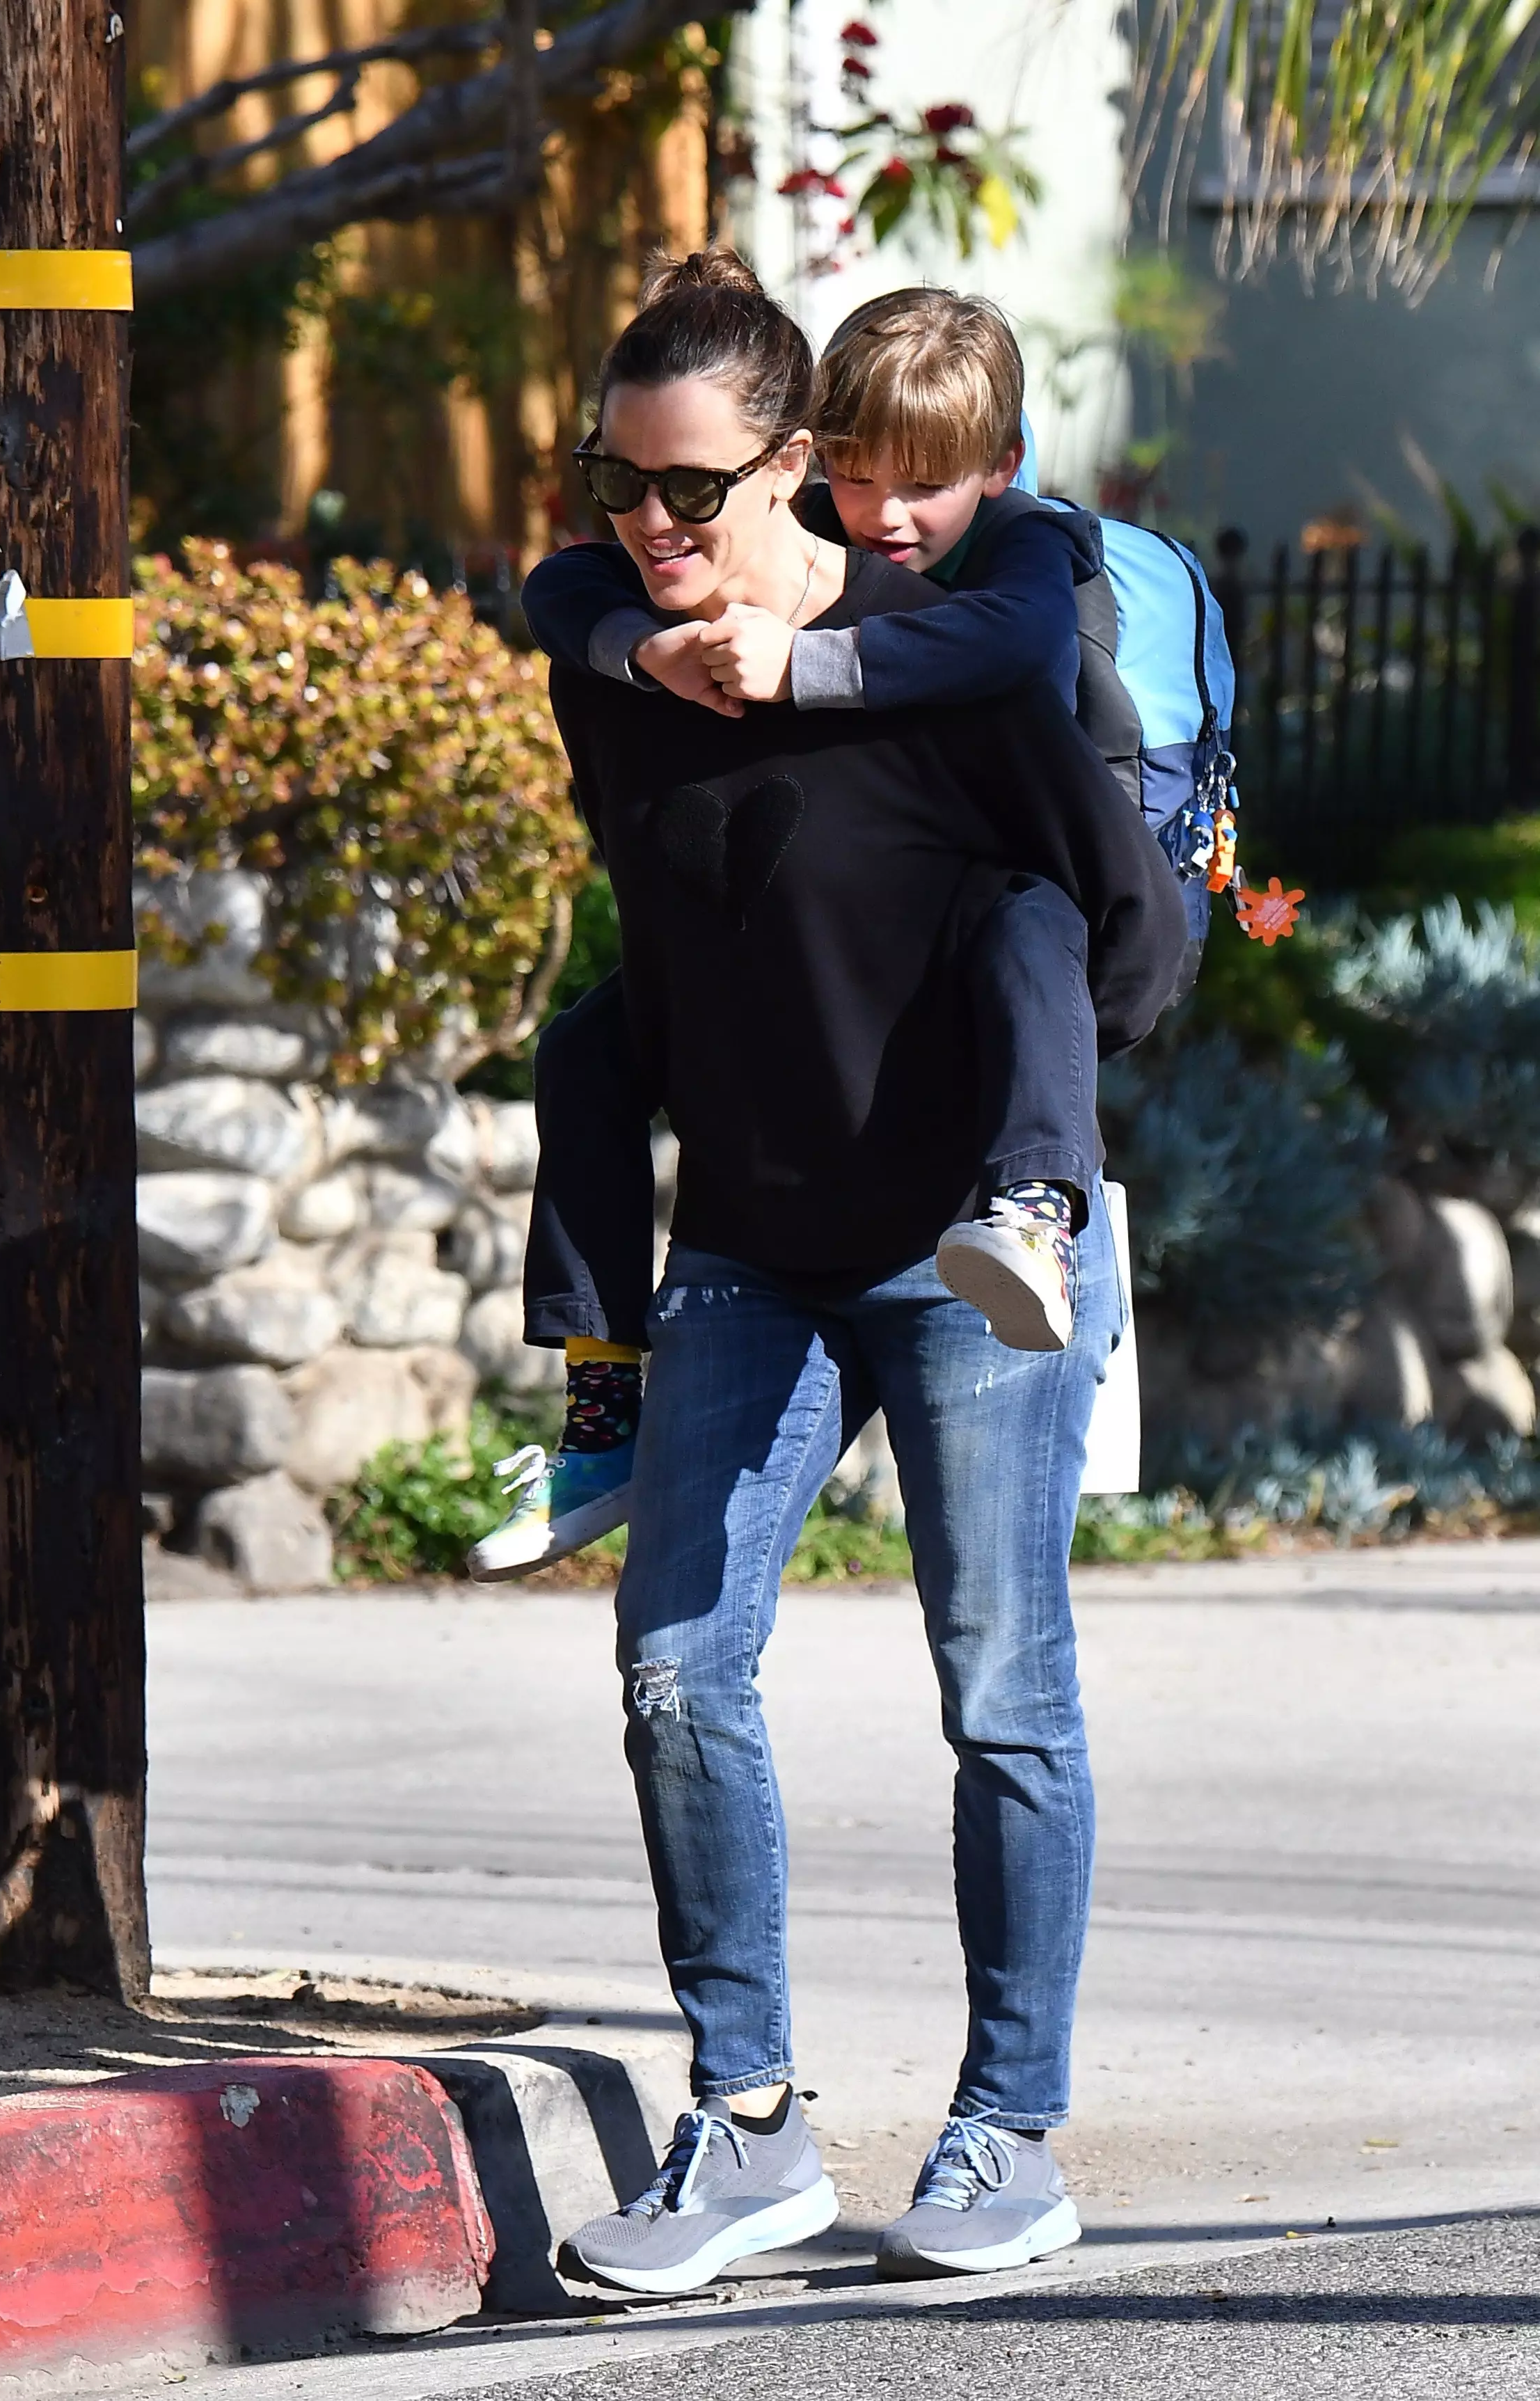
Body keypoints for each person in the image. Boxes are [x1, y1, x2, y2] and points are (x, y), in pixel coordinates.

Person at [518, 248, 1186, 2293]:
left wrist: (1042, 1134)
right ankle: (746, 2132)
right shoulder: (605, 639)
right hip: (746, 1236)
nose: (647, 527)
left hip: (969, 1246)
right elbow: (555, 609)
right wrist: (650, 646)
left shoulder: (953, 648)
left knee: (999, 1692)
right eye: (615, 485)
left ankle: (1007, 2131)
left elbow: (1125, 937)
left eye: (691, 490)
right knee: (672, 1663)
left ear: (799, 466)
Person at [477, 287, 1136, 1578]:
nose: (885, 510)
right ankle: (603, 1403)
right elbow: (559, 586)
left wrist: (805, 668)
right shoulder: (726, 564)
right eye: (857, 470)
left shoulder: (1020, 554)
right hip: (765, 1216)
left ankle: (1035, 1206)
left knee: (1025, 929)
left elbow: (1022, 653)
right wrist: (633, 648)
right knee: (583, 1050)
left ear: (999, 471)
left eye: (925, 483)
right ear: (813, 462)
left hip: (1014, 939)